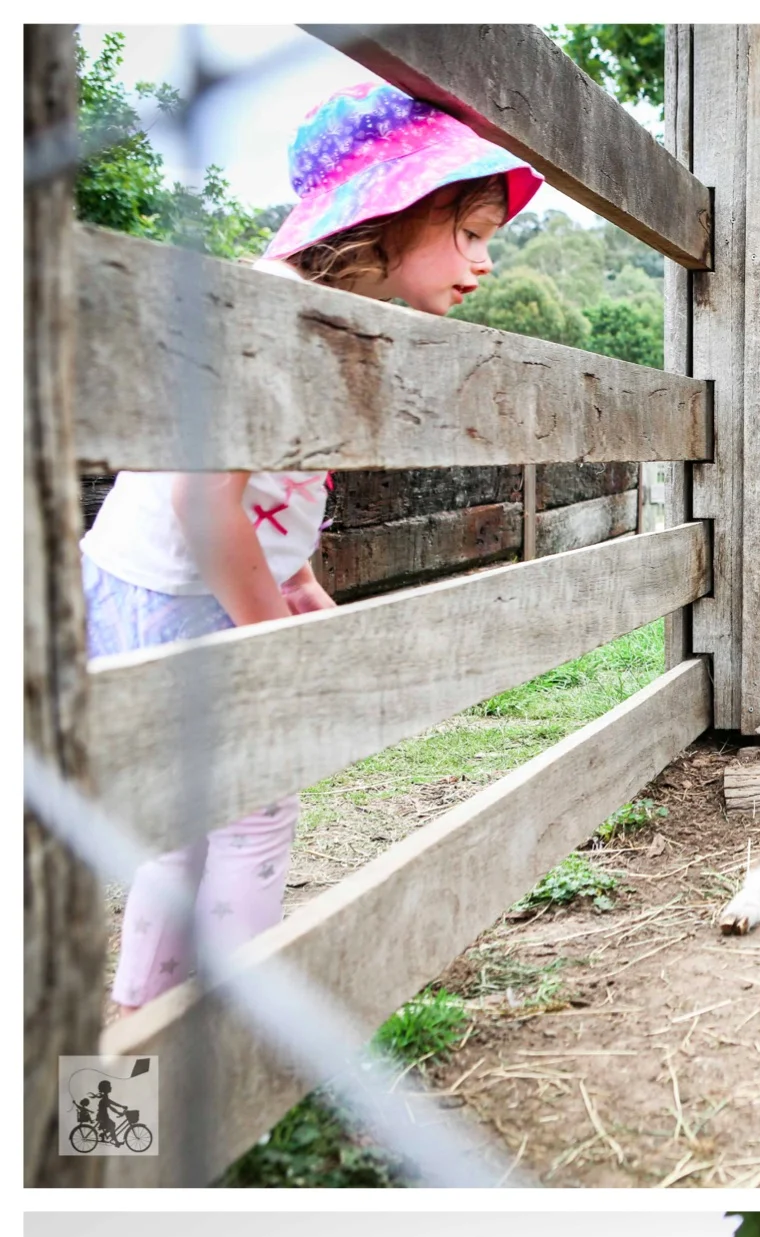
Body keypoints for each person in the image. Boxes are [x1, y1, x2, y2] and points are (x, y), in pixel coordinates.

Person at [82, 80, 543, 1013]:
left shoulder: (326, 323)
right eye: (470, 232)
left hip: (164, 583)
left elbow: (264, 492)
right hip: (175, 589)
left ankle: (148, 1026)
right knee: (254, 811)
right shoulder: (272, 311)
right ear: (391, 212)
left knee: (193, 825)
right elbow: (202, 501)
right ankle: (230, 1032)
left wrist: (294, 583)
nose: (484, 262)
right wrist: (276, 639)